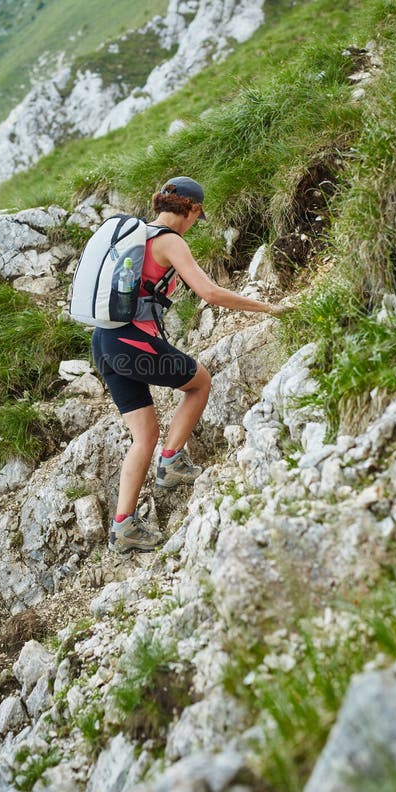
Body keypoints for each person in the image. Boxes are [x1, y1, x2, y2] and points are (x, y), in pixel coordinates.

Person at [91, 176, 285, 555]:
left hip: (102, 341)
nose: (196, 222)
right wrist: (269, 307)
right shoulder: (169, 240)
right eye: (198, 215)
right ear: (192, 209)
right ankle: (172, 463)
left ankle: (123, 528)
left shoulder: (138, 237)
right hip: (129, 341)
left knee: (144, 434)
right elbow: (209, 292)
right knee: (199, 383)